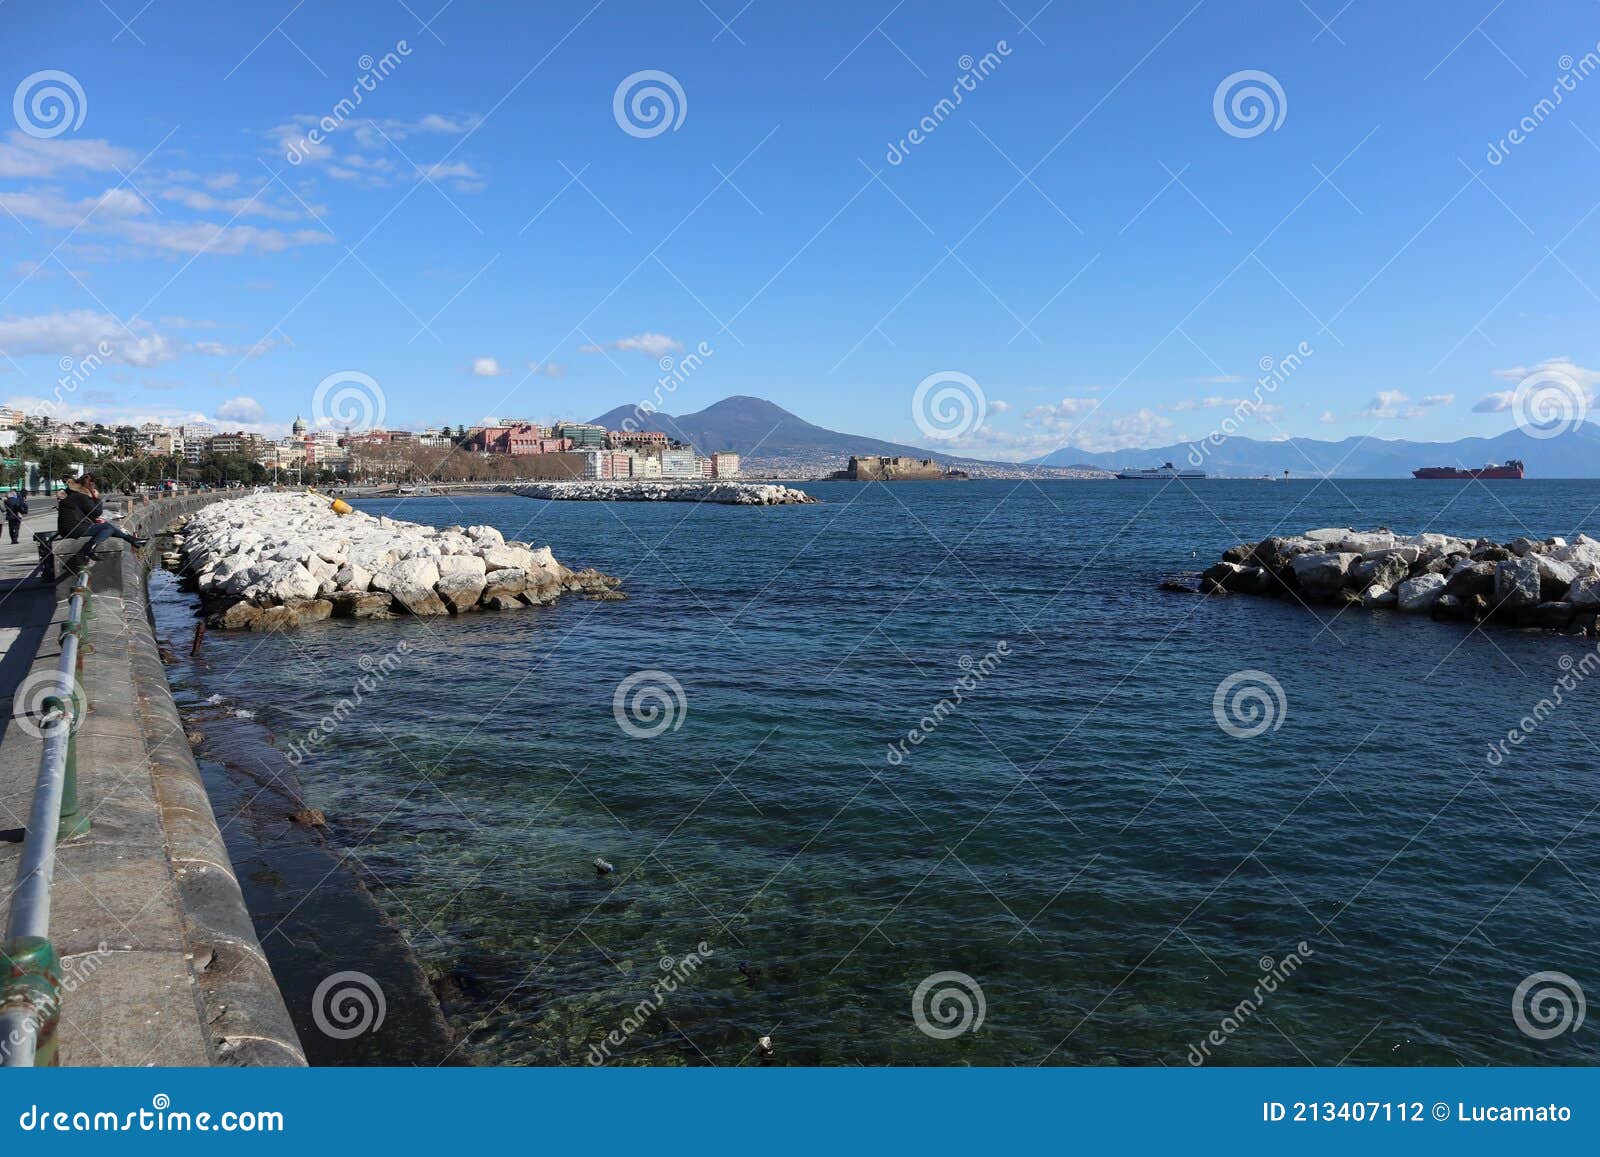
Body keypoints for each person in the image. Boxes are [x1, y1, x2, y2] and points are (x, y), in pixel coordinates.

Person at [58, 473, 147, 549]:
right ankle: (89, 547)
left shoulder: (72, 493)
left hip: (66, 529)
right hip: (73, 530)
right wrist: (96, 498)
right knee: (108, 528)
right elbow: (97, 512)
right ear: (90, 485)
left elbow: (85, 512)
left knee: (106, 526)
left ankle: (132, 540)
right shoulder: (81, 495)